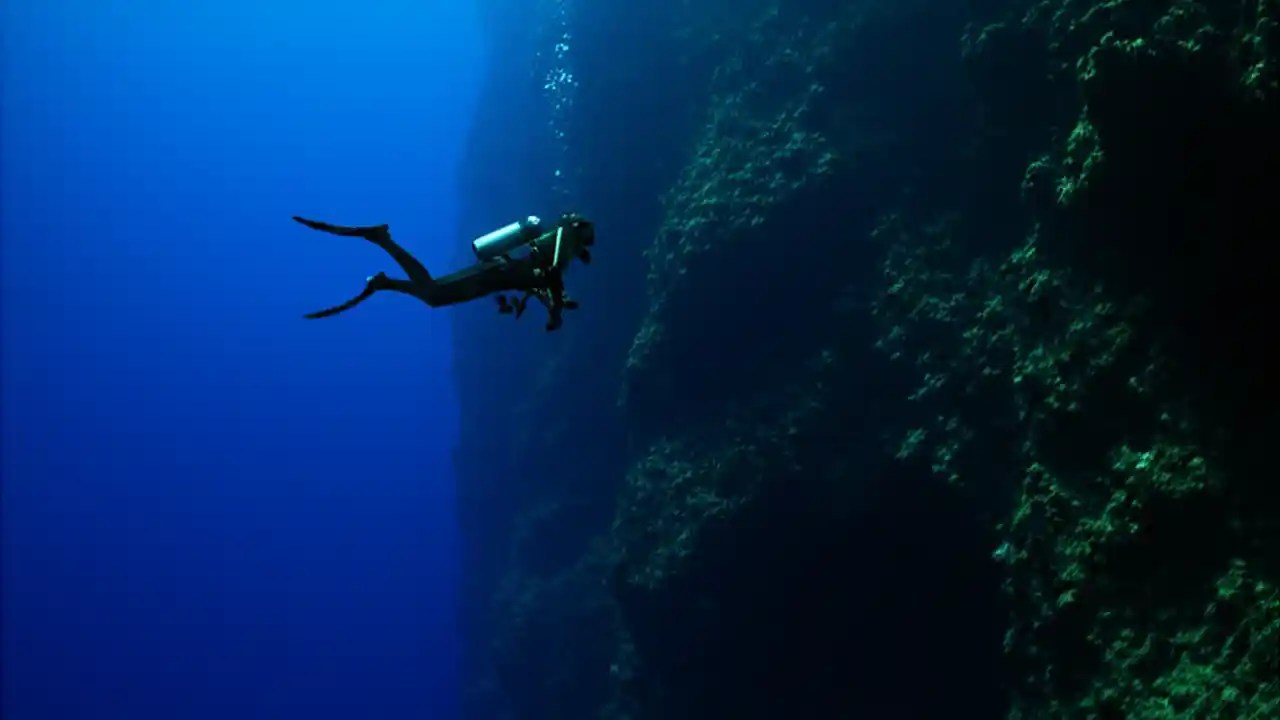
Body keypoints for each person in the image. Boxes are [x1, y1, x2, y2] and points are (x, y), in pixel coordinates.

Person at [293, 212, 594, 331]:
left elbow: (541, 282)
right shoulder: (562, 241)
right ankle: (383, 240)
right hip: (496, 272)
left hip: (496, 279)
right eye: (586, 241)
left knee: (434, 297)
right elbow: (552, 276)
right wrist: (556, 310)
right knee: (433, 291)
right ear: (579, 231)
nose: (584, 248)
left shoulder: (560, 248)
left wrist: (553, 305)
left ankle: (386, 282)